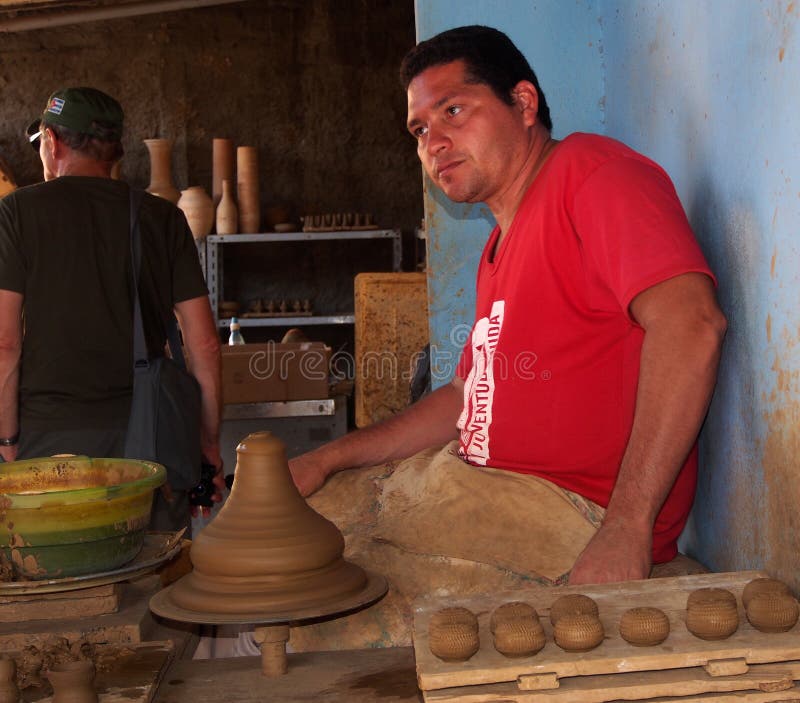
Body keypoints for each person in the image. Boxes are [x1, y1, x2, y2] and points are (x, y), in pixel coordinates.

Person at [289, 26, 727, 586]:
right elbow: (460, 399)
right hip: (478, 487)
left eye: (453, 111)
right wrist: (328, 457)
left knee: (313, 589)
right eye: (419, 129)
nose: (434, 143)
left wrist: (626, 527)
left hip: (568, 512)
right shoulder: (498, 247)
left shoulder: (591, 174)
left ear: (523, 103)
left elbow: (692, 324)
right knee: (304, 513)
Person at [0, 87, 224, 532]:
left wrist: (6, 439)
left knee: (61, 580)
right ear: (114, 151)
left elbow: (5, 344)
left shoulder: (15, 214)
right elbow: (204, 345)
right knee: (154, 579)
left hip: (47, 440)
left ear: (51, 140)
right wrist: (207, 445)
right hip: (149, 440)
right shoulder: (162, 218)